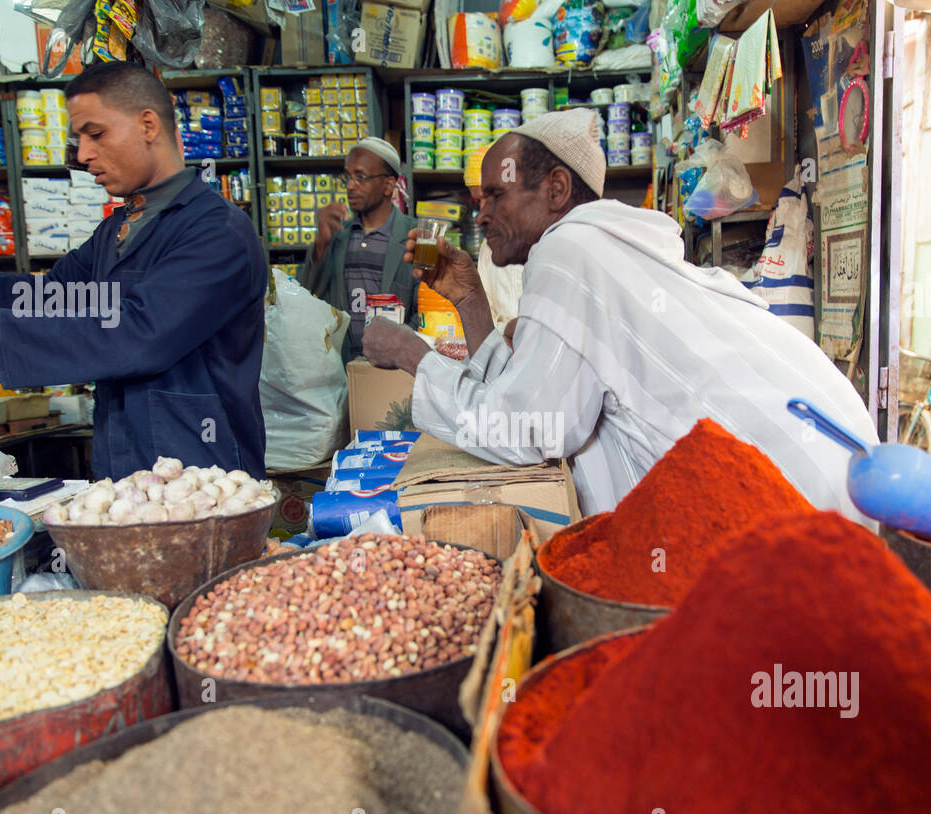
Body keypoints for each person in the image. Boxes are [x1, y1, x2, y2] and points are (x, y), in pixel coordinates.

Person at [362, 109, 878, 519]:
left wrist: (414, 355)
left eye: (497, 194)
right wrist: (471, 299)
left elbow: (527, 429)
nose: (481, 214)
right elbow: (532, 393)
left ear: (557, 189)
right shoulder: (605, 247)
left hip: (800, 515)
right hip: (838, 485)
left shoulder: (571, 249)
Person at [0, 61, 267, 479]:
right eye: (79, 138)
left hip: (205, 475)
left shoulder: (216, 232)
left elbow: (140, 336)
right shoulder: (118, 229)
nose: (84, 153)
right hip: (128, 471)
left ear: (148, 125)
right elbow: (54, 297)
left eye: (96, 133)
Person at [303, 137, 419, 361]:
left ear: (388, 185)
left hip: (395, 370)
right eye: (347, 177)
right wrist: (320, 246)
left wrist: (397, 352)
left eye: (360, 177)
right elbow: (307, 300)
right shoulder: (336, 236)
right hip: (341, 369)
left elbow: (424, 312)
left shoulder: (415, 236)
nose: (350, 185)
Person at [464, 145, 522, 343]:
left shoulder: (551, 240)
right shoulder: (488, 247)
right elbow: (484, 320)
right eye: (477, 199)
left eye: (488, 197)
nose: (482, 210)